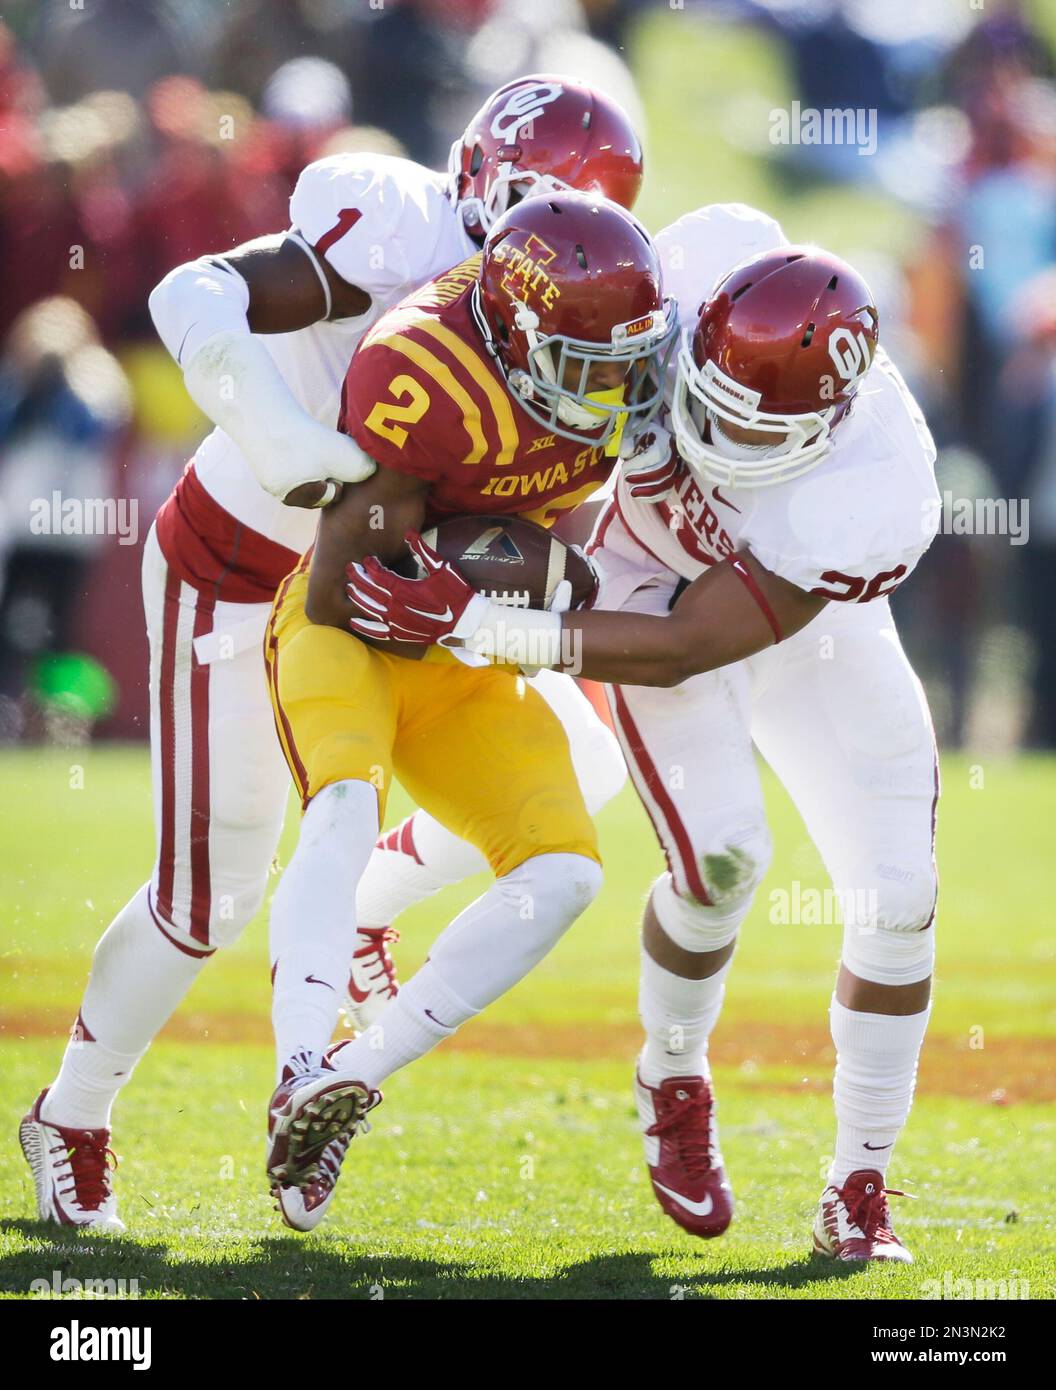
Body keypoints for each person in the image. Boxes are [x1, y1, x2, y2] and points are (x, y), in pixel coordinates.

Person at [19, 76, 641, 1233]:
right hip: (248, 573)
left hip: (402, 596)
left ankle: (357, 925)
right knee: (210, 894)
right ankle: (73, 1110)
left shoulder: (580, 313)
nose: (546, 245)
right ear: (479, 185)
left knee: (589, 767)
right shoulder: (397, 230)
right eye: (534, 208)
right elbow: (191, 289)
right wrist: (278, 431)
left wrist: (525, 584)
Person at [349, 204, 941, 1264]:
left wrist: (490, 627)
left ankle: (860, 1178)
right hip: (641, 571)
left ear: (828, 423)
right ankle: (674, 1072)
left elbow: (690, 646)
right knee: (724, 863)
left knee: (901, 897)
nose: (718, 441)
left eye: (755, 431)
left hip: (788, 616)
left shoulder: (873, 492)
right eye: (703, 401)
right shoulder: (697, 260)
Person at [263, 190, 675, 1230]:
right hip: (353, 627)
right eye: (585, 361)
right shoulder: (419, 369)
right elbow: (337, 581)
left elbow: (566, 554)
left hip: (462, 654)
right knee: (343, 811)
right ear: (516, 330)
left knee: (568, 870)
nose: (612, 387)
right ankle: (298, 1060)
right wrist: (472, 579)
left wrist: (530, 580)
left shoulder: (613, 371)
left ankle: (349, 1077)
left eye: (623, 359)